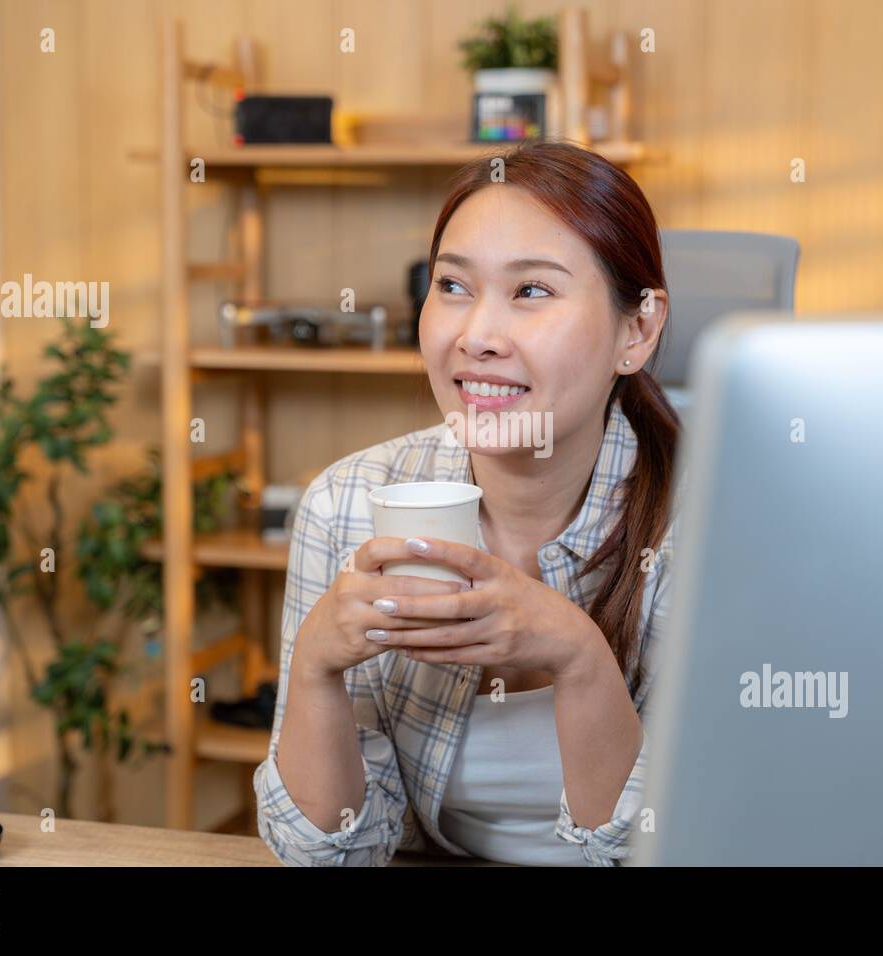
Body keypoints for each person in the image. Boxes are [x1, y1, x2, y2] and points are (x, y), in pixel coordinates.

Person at [254, 140, 680, 866]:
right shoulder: (347, 503)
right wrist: (314, 671)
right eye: (452, 286)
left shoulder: (712, 530)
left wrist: (579, 656)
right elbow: (332, 856)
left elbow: (682, 849)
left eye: (532, 291)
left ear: (635, 330)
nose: (476, 336)